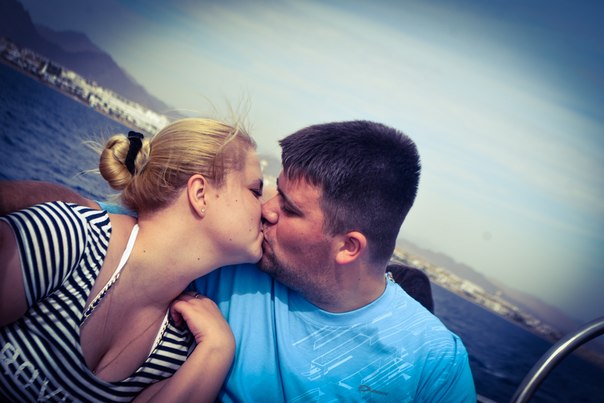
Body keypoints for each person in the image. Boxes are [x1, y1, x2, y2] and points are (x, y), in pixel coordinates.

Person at [1, 120, 476, 401]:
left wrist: (217, 348)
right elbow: (141, 224)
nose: (266, 208)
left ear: (349, 247)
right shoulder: (229, 261)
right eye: (267, 191)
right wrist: (70, 211)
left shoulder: (433, 361)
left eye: (290, 208)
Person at [0, 118, 264, 402]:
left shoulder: (178, 347)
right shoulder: (68, 239)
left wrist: (218, 348)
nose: (267, 210)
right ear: (201, 194)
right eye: (255, 191)